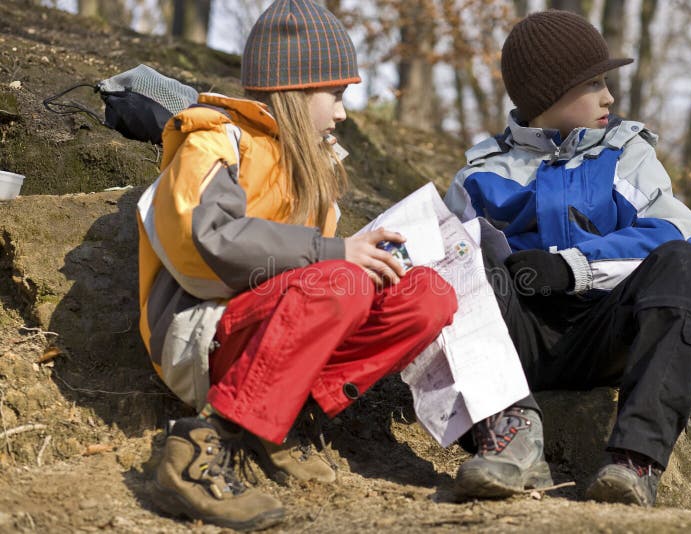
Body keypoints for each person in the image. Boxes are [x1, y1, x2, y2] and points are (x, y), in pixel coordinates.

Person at [137, 0, 457, 529]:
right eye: (336, 94)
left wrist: (364, 256)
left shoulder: (312, 164)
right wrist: (336, 253)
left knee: (428, 294)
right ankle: (200, 448)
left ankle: (277, 421)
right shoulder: (215, 141)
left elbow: (307, 283)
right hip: (201, 332)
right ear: (296, 88)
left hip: (276, 330)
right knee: (342, 277)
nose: (343, 113)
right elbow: (209, 241)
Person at [444, 10, 691, 507]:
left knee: (687, 263)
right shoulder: (479, 176)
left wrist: (572, 266)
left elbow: (669, 230)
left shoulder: (626, 152)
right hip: (519, 341)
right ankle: (509, 438)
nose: (609, 97)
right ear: (548, 94)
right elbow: (451, 274)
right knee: (454, 264)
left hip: (606, 333)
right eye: (594, 83)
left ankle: (634, 462)